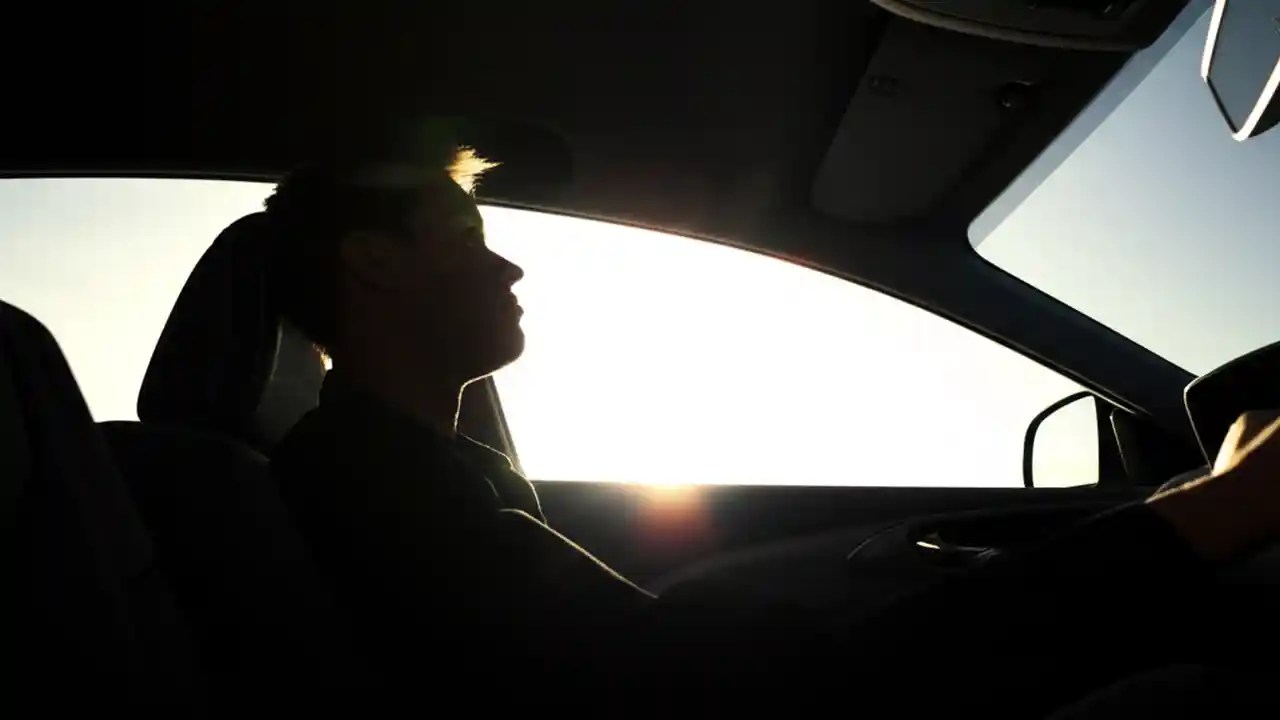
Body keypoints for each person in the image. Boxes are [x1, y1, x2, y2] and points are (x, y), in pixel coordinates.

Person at [263, 140, 1280, 711]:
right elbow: (771, 704)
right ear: (374, 262)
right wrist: (1205, 513)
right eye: (467, 240)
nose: (508, 268)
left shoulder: (424, 473)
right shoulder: (372, 488)